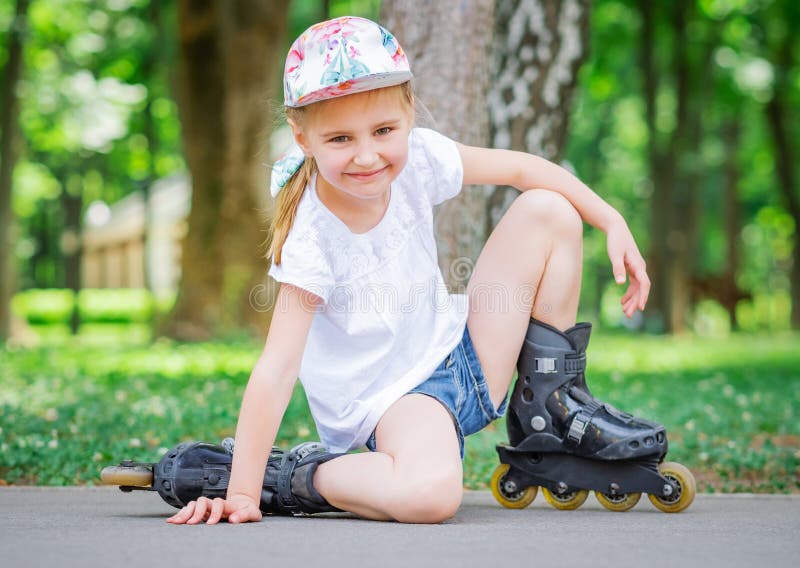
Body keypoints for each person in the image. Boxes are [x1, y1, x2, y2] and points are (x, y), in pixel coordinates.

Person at [167, 15, 650, 526]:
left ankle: (549, 410)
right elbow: (277, 368)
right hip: (397, 404)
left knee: (550, 210)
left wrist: (611, 219)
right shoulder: (312, 236)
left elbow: (522, 169)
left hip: (466, 352)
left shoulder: (419, 158)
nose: (367, 156)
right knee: (431, 496)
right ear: (303, 138)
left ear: (409, 114)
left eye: (383, 131)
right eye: (340, 140)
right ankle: (296, 475)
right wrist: (243, 491)